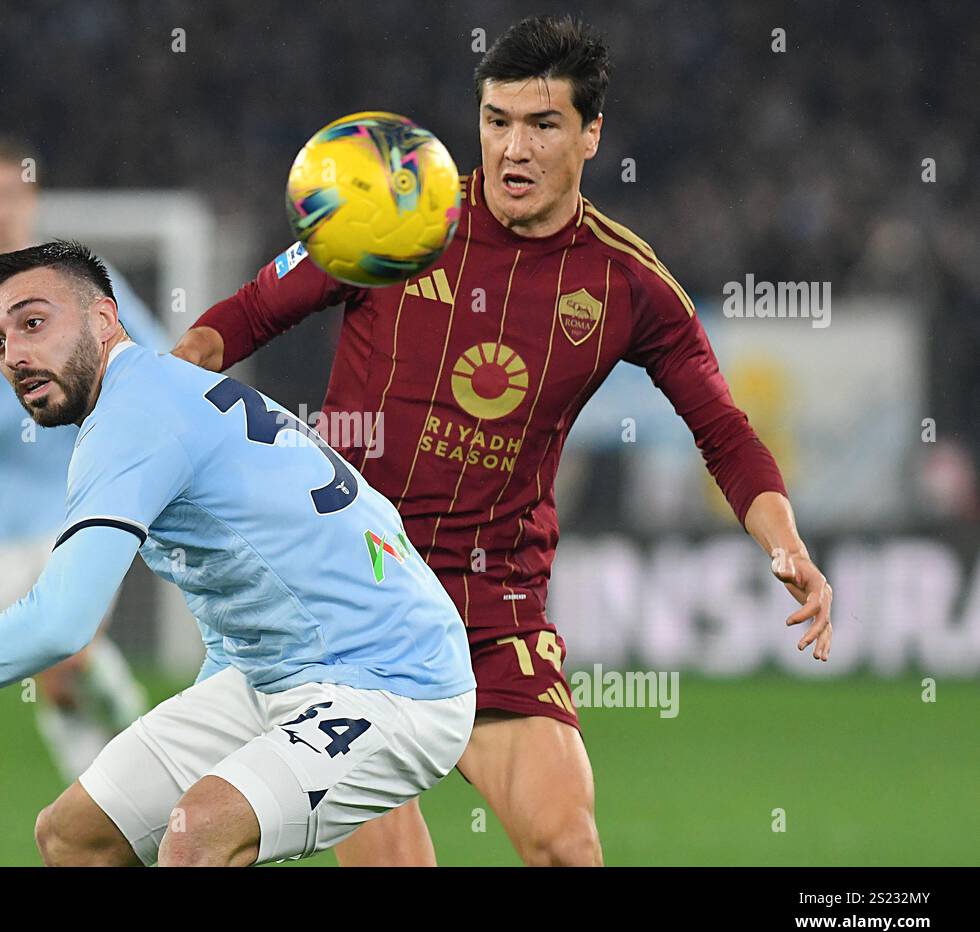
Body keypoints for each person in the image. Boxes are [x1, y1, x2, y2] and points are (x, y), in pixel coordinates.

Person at [172, 15, 834, 866]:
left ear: (593, 134)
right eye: (496, 122)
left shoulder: (627, 284)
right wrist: (166, 384)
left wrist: (785, 543)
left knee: (567, 847)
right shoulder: (397, 217)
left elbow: (725, 432)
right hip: (347, 588)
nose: (512, 149)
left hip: (490, 599)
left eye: (543, 124)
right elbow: (243, 318)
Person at [0, 240, 477, 868]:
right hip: (272, 675)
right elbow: (244, 568)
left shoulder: (134, 417)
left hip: (392, 682)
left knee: (198, 832)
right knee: (74, 836)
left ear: (105, 320)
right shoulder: (151, 394)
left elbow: (60, 624)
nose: (14, 356)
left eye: (34, 324)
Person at [0, 136, 163, 778]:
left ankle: (131, 749)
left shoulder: (79, 283)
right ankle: (105, 794)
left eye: (6, 194)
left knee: (67, 650)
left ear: (32, 197)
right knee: (48, 673)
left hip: (85, 493)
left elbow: (151, 354)